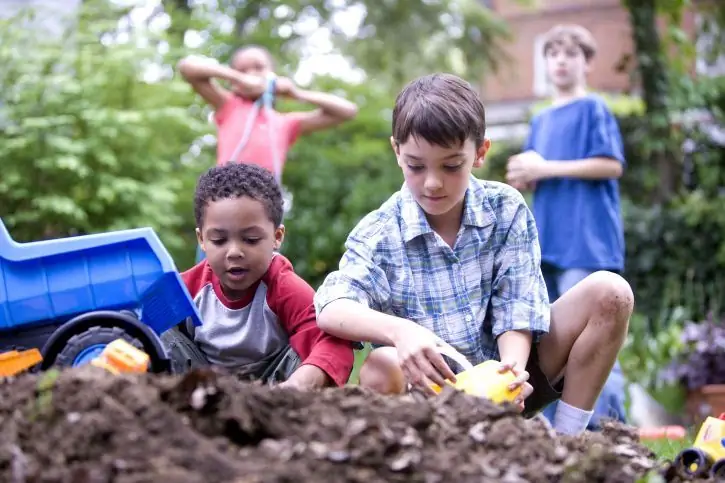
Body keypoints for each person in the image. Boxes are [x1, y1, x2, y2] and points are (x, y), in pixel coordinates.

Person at [313, 73, 634, 436]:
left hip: (512, 382)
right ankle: (418, 458)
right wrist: (401, 332)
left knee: (611, 291)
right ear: (397, 152)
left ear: (480, 152)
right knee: (382, 363)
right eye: (416, 166)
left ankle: (567, 444)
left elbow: (518, 305)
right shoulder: (378, 232)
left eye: (451, 166)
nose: (433, 182)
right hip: (430, 395)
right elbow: (330, 305)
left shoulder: (505, 208)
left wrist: (509, 374)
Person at [505, 24, 628, 429]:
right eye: (553, 53)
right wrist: (527, 178)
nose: (560, 60)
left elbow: (611, 164)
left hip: (587, 243)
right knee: (551, 343)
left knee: (597, 335)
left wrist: (546, 167)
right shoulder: (541, 121)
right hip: (548, 244)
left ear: (587, 62)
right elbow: (547, 173)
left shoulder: (595, 109)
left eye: (570, 53)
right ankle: (559, 435)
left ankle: (607, 433)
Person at [161, 162, 355, 390]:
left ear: (277, 236)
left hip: (274, 390)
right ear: (201, 239)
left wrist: (299, 383)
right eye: (219, 240)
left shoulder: (285, 288)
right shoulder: (187, 288)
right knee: (156, 330)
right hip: (202, 385)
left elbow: (333, 344)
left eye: (251, 239)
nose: (234, 252)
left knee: (320, 343)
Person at [177, 45, 358, 262]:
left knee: (259, 269)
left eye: (259, 67)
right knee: (212, 266)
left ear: (273, 73)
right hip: (223, 205)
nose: (252, 74)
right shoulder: (229, 105)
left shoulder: (283, 122)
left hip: (261, 210)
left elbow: (347, 111)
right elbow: (187, 68)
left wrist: (296, 93)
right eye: (243, 69)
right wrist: (239, 79)